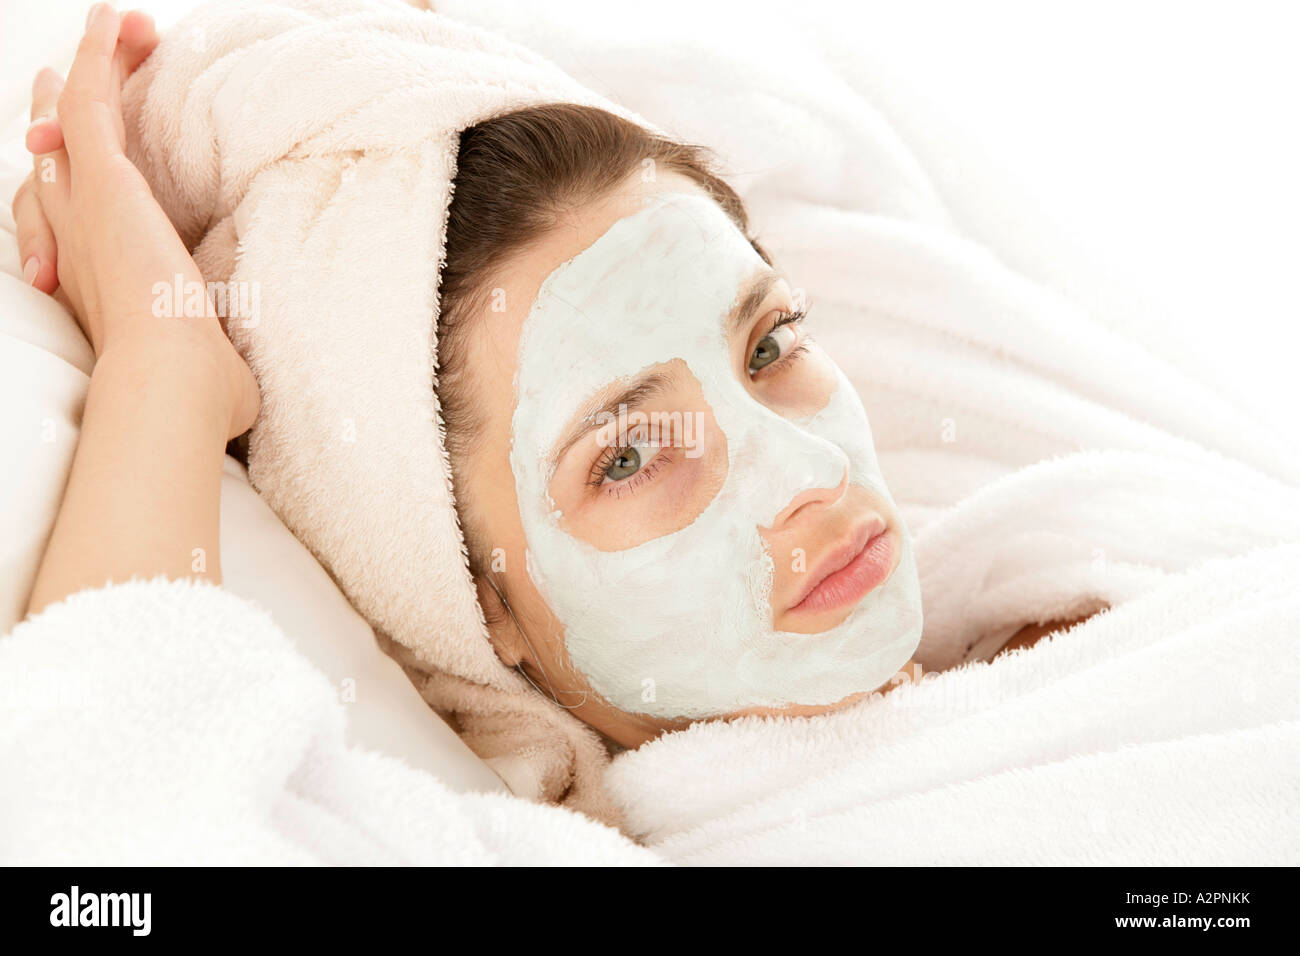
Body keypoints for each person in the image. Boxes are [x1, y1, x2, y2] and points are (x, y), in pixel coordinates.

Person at [13, 4, 1095, 760]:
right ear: (484, 613)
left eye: (768, 346)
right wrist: (167, 371)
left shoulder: (1092, 567)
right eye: (625, 455)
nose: (807, 471)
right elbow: (95, 837)